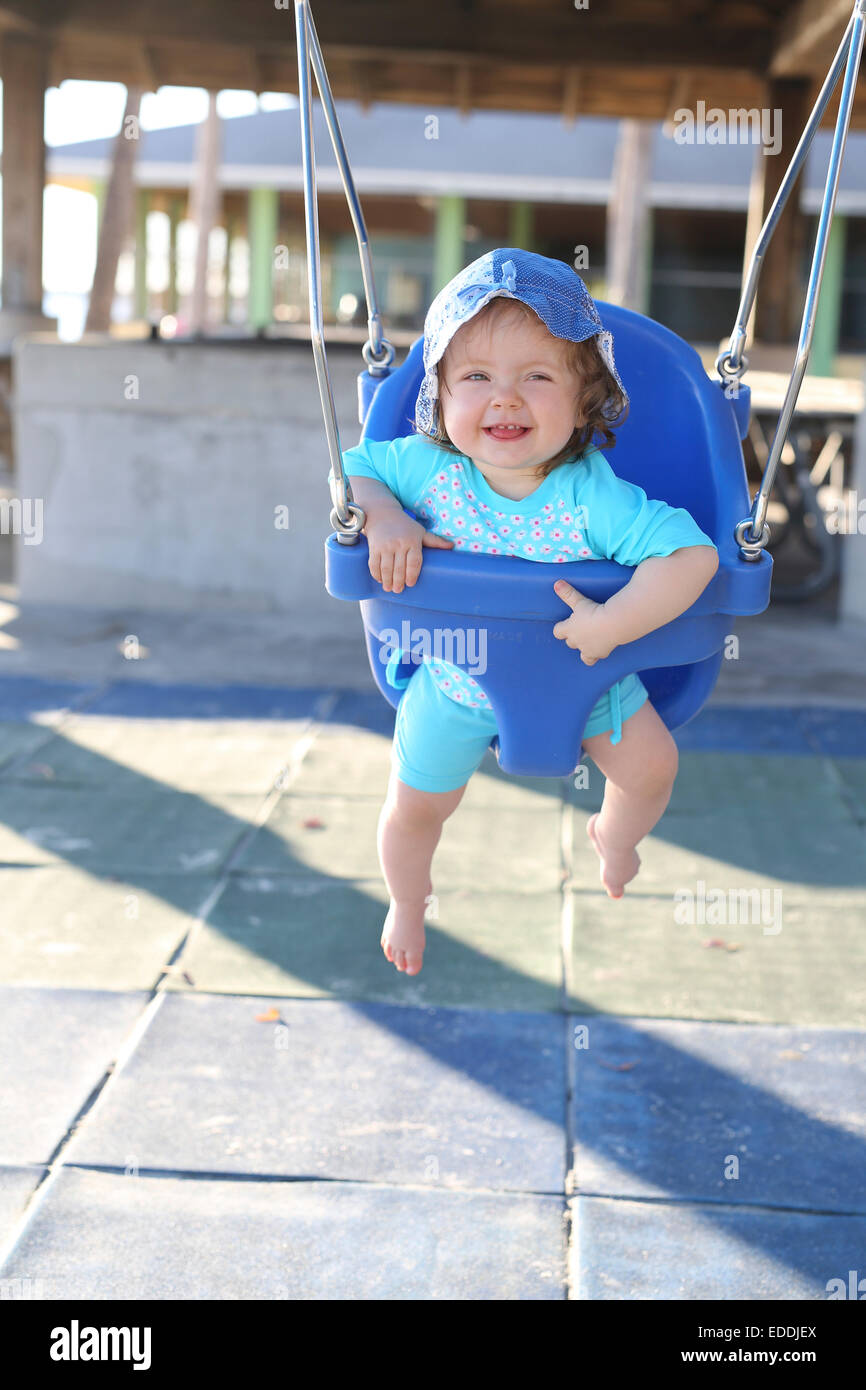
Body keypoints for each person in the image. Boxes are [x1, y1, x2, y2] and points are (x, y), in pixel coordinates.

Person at [336, 248, 719, 976]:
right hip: (455, 684)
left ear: (583, 401)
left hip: (591, 676)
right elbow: (351, 469)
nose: (504, 400)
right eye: (476, 377)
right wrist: (385, 521)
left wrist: (613, 624)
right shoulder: (424, 467)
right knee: (412, 812)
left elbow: (692, 558)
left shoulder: (592, 495)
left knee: (652, 770)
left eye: (536, 378)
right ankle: (408, 902)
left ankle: (615, 836)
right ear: (440, 394)